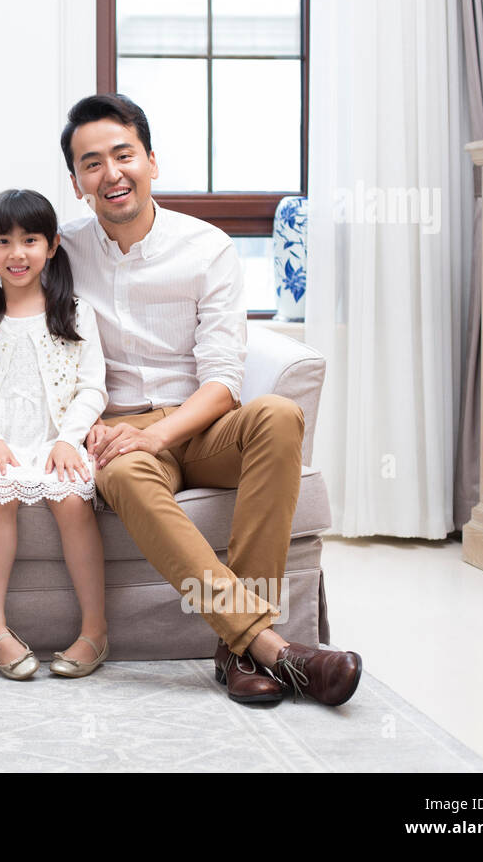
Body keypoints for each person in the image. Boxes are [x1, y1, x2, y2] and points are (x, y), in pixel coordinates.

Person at [59, 93, 362, 706]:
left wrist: (157, 434)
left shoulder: (207, 247)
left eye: (123, 155)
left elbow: (224, 381)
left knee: (278, 413)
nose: (111, 173)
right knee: (124, 471)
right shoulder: (61, 251)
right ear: (76, 183)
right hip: (116, 430)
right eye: (92, 163)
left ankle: (241, 645)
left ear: (151, 161)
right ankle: (262, 648)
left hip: (198, 422)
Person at [0, 189, 109, 680]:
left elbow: (92, 387)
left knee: (73, 498)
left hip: (59, 441)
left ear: (53, 245)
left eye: (30, 240)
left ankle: (95, 629)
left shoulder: (75, 312)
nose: (17, 253)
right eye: (3, 241)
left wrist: (69, 439)